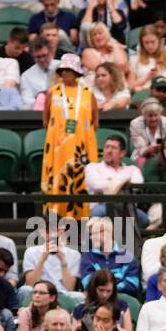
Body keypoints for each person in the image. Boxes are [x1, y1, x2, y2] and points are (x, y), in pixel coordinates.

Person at [41, 55, 98, 220]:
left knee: (81, 182)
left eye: (69, 70)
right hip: (58, 146)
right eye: (63, 70)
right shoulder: (53, 92)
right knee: (58, 181)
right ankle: (56, 219)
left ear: (76, 72)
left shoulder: (88, 93)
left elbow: (95, 121)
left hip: (82, 145)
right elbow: (46, 121)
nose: (65, 73)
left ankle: (81, 222)